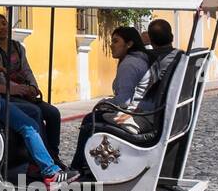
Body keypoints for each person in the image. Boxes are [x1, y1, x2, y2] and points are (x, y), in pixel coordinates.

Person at [0, 8, 77, 189]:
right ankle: (50, 173)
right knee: (28, 126)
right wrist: (9, 88)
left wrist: (6, 74)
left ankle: (38, 162)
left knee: (34, 113)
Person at [73, 22, 179, 176]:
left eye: (116, 41)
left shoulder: (129, 64)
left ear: (129, 44)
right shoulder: (142, 58)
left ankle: (79, 167)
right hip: (148, 112)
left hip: (137, 116)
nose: (111, 45)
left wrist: (103, 103)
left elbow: (124, 102)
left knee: (90, 120)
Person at [0, 13, 62, 164]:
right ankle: (40, 158)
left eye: (4, 23)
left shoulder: (17, 47)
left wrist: (33, 87)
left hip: (24, 92)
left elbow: (26, 69)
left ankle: (54, 153)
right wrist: (22, 89)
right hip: (7, 93)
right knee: (36, 112)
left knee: (53, 113)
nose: (2, 27)